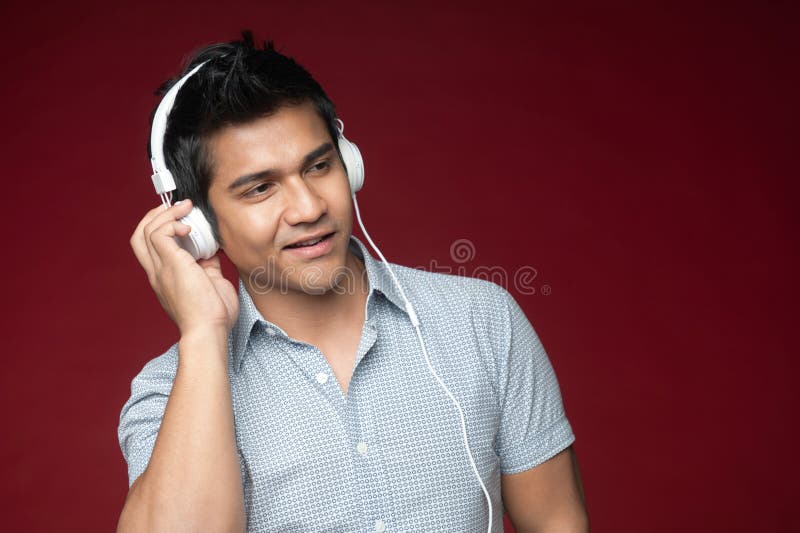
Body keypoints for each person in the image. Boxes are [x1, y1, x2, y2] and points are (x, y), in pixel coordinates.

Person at [116, 31, 589, 532]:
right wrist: (203, 336)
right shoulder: (168, 393)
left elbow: (557, 522)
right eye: (260, 189)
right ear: (198, 226)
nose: (309, 208)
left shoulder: (483, 321)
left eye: (319, 166)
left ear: (350, 163)